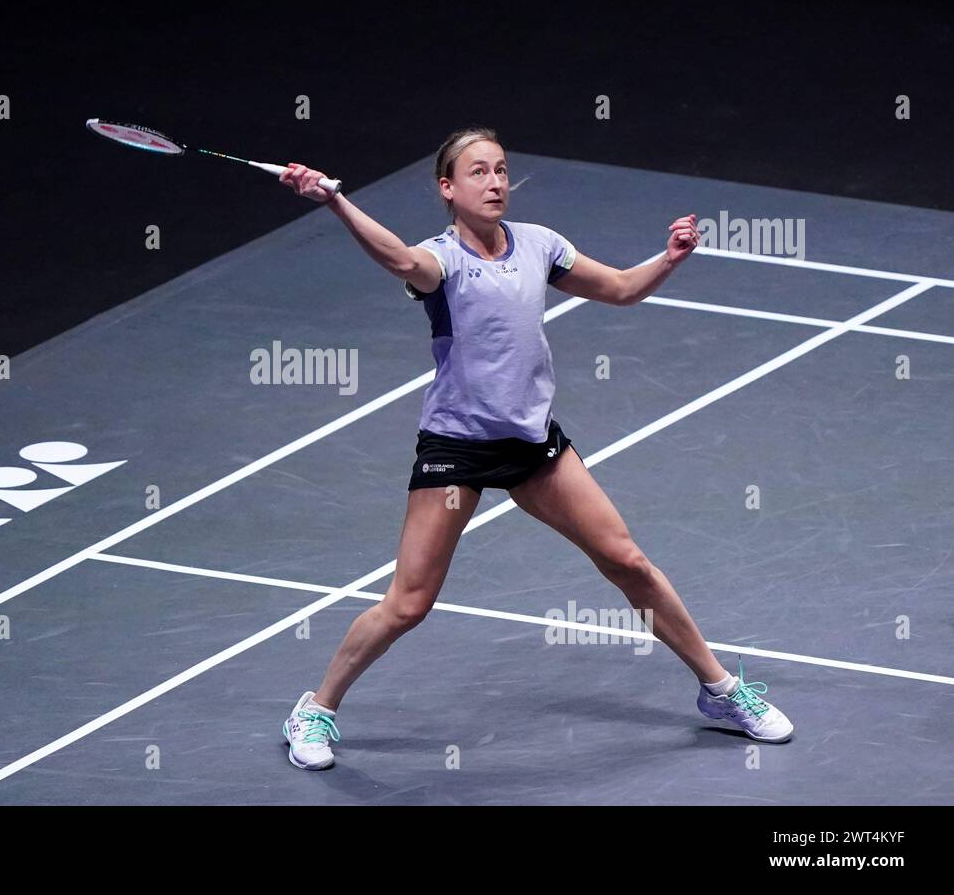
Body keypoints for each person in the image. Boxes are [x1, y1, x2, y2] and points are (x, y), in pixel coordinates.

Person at [277, 127, 794, 771]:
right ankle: (315, 710)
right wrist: (333, 200)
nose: (495, 183)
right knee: (409, 602)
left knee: (627, 561)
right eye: (478, 173)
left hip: (532, 444)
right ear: (448, 188)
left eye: (500, 171)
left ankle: (720, 691)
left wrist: (670, 257)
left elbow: (622, 289)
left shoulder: (539, 245)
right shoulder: (442, 261)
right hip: (457, 451)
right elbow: (401, 262)